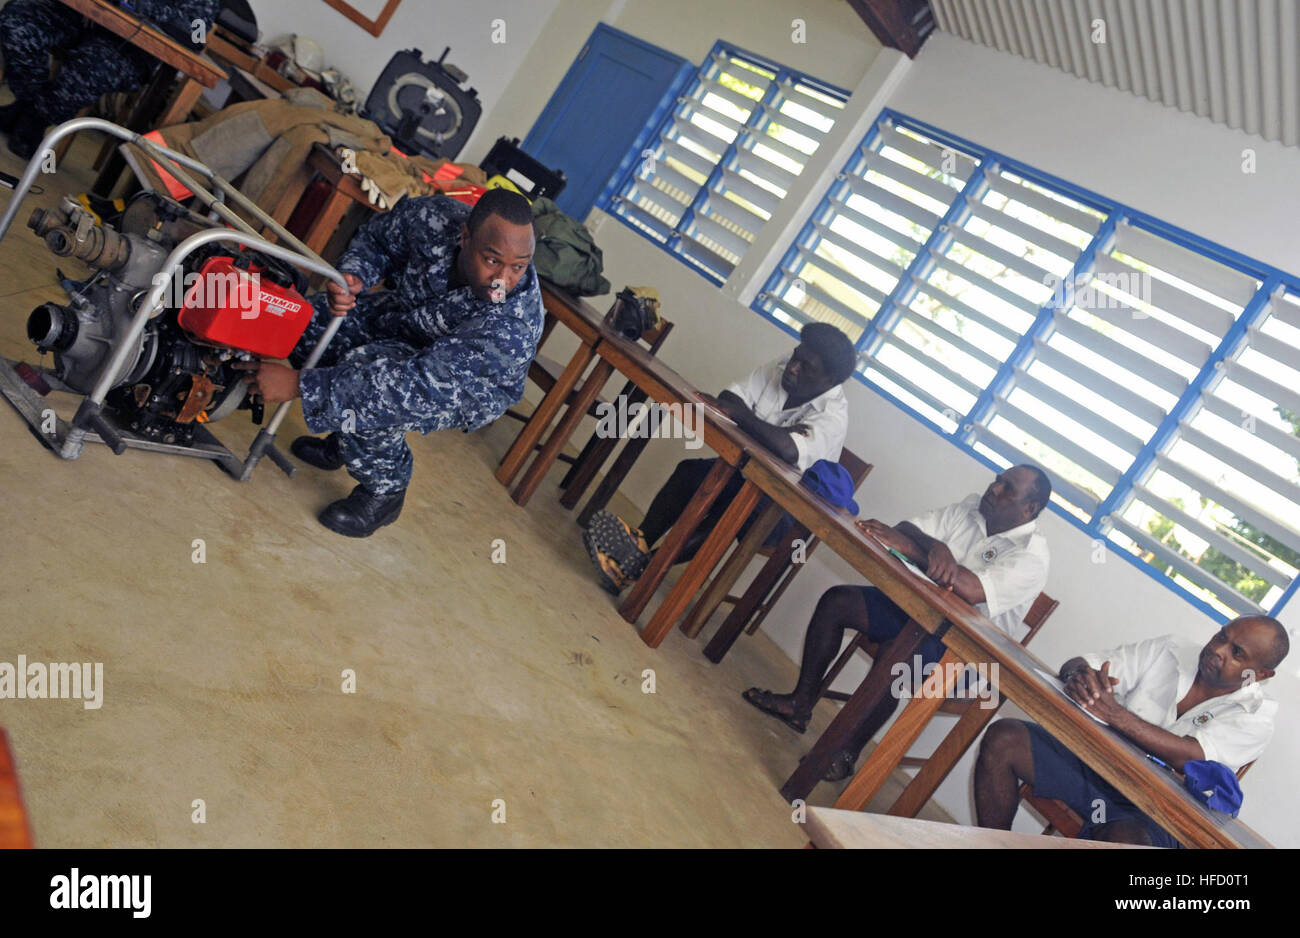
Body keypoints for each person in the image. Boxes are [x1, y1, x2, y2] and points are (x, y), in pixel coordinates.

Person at [236, 189, 543, 538]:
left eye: (519, 266)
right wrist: (355, 276)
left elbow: (414, 387)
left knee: (371, 380)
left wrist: (298, 384)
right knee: (309, 324)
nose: (504, 279)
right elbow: (379, 240)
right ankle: (344, 438)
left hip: (463, 387)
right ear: (466, 236)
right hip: (405, 322)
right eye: (492, 260)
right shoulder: (435, 217)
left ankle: (384, 490)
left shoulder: (511, 324)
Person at [743, 465, 1052, 781]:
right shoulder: (971, 508)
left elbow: (970, 589)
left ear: (1029, 508)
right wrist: (936, 547)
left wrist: (918, 552)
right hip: (919, 614)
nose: (994, 488)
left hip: (964, 654)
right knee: (838, 602)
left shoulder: (1032, 558)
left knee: (896, 657)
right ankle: (800, 703)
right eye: (997, 479)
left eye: (1007, 488)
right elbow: (905, 527)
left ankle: (845, 752)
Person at [582, 322, 856, 593]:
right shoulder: (785, 366)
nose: (793, 367)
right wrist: (769, 433)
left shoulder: (832, 417)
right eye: (797, 355)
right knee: (690, 473)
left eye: (806, 367)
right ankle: (639, 545)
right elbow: (729, 397)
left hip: (783, 512)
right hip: (744, 477)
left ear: (829, 382)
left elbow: (786, 450)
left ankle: (641, 569)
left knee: (726, 510)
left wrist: (745, 418)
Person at [973, 616, 1289, 846]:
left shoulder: (1257, 717)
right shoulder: (1172, 648)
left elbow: (1186, 755)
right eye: (1222, 636)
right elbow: (1081, 663)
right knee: (1005, 738)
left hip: (1153, 811)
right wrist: (1082, 678)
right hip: (1094, 769)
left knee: (1127, 842)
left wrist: (1114, 713)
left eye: (1237, 654)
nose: (1219, 650)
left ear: (1261, 674)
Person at [0, 0, 220, 159]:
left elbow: (196, 31)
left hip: (129, 44)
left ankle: (34, 118)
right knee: (18, 21)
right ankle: (27, 103)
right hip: (82, 15)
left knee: (93, 67)